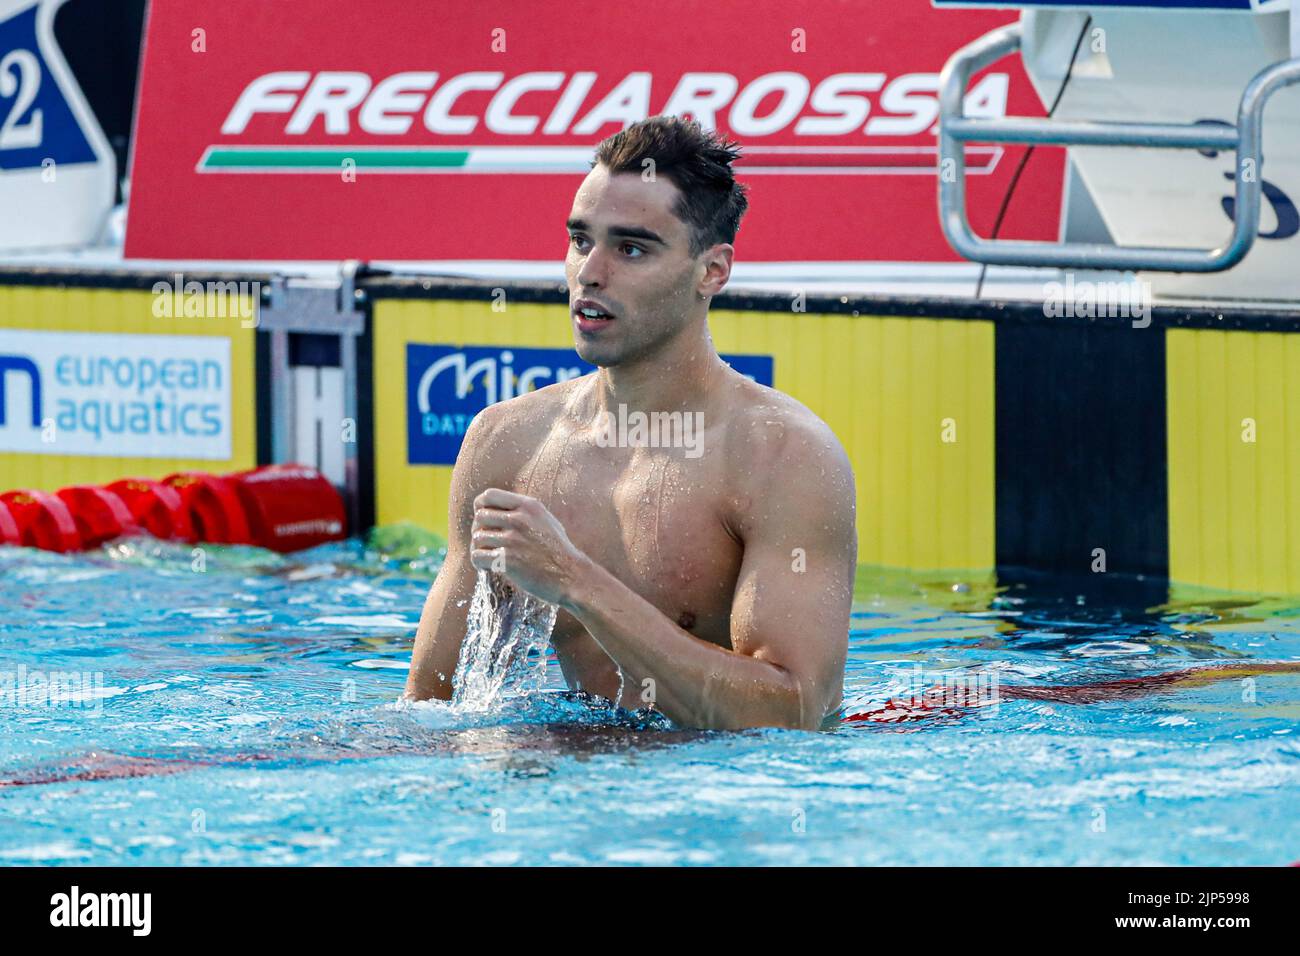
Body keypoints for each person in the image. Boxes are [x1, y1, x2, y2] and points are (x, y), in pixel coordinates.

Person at [402, 115, 857, 730]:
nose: (590, 272)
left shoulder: (783, 457)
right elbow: (431, 711)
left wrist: (575, 581)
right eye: (580, 240)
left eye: (631, 248)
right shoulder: (507, 442)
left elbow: (795, 713)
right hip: (570, 775)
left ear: (712, 271)